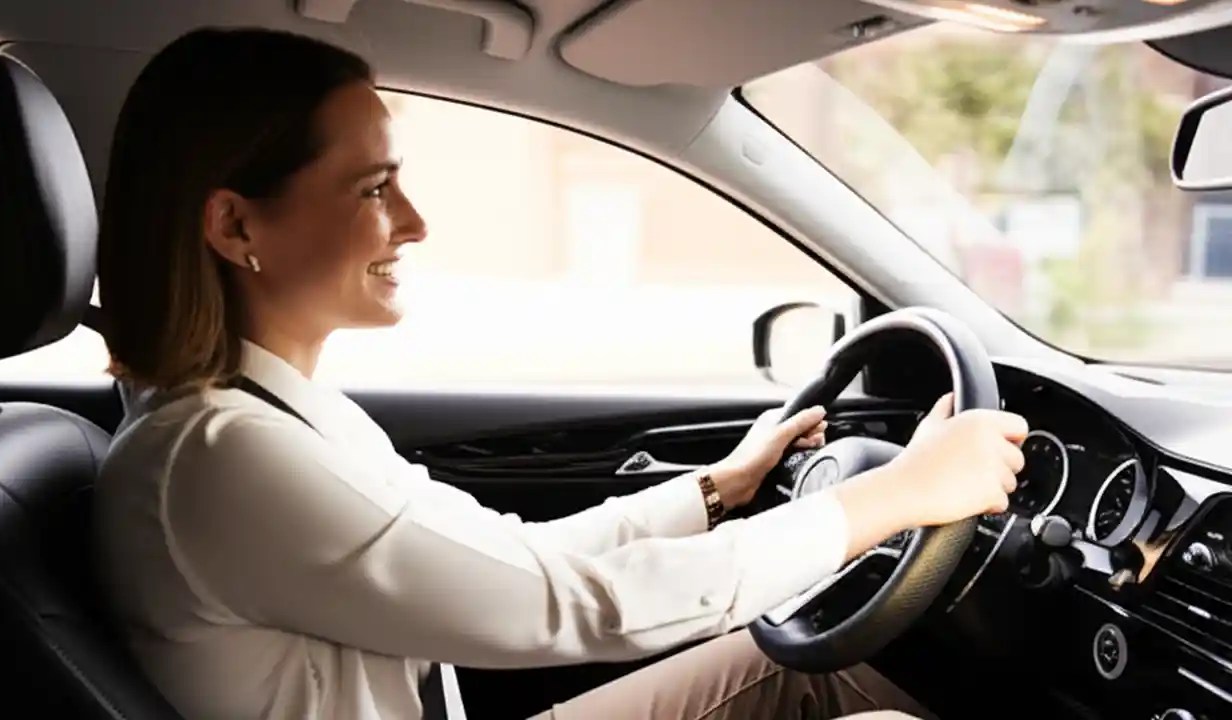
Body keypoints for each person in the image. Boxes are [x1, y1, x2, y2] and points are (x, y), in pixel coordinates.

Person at [93, 27, 1027, 720]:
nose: (413, 223)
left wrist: (715, 488)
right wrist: (888, 499)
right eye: (374, 189)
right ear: (235, 226)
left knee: (823, 670)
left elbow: (510, 554)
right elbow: (564, 608)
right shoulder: (222, 458)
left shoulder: (266, 420)